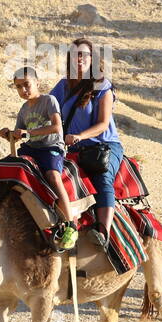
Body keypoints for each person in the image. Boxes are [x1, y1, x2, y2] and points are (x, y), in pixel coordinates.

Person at [51, 38, 122, 246]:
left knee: (102, 178)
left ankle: (103, 232)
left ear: (93, 59)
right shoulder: (64, 85)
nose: (79, 58)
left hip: (103, 146)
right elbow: (48, 108)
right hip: (73, 148)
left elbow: (102, 124)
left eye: (83, 54)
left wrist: (80, 136)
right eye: (74, 54)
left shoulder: (102, 86)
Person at [0, 66, 78, 251]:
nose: (23, 90)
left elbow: (57, 127)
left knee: (53, 176)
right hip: (31, 148)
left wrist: (28, 132)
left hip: (51, 147)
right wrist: (8, 134)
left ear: (37, 83)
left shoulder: (48, 100)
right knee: (11, 174)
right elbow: (20, 134)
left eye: (26, 84)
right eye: (18, 87)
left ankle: (70, 224)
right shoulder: (24, 109)